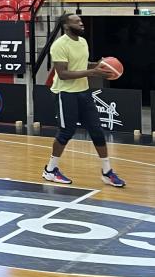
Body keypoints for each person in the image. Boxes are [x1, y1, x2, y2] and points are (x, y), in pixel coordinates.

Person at [43, 13, 126, 187]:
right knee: (66, 132)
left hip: (84, 92)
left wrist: (97, 65)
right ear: (66, 26)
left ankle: (107, 172)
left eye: (81, 21)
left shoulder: (83, 42)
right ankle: (50, 170)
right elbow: (63, 74)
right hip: (65, 93)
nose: (81, 23)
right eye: (77, 21)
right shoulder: (59, 45)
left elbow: (81, 64)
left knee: (97, 131)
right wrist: (92, 72)